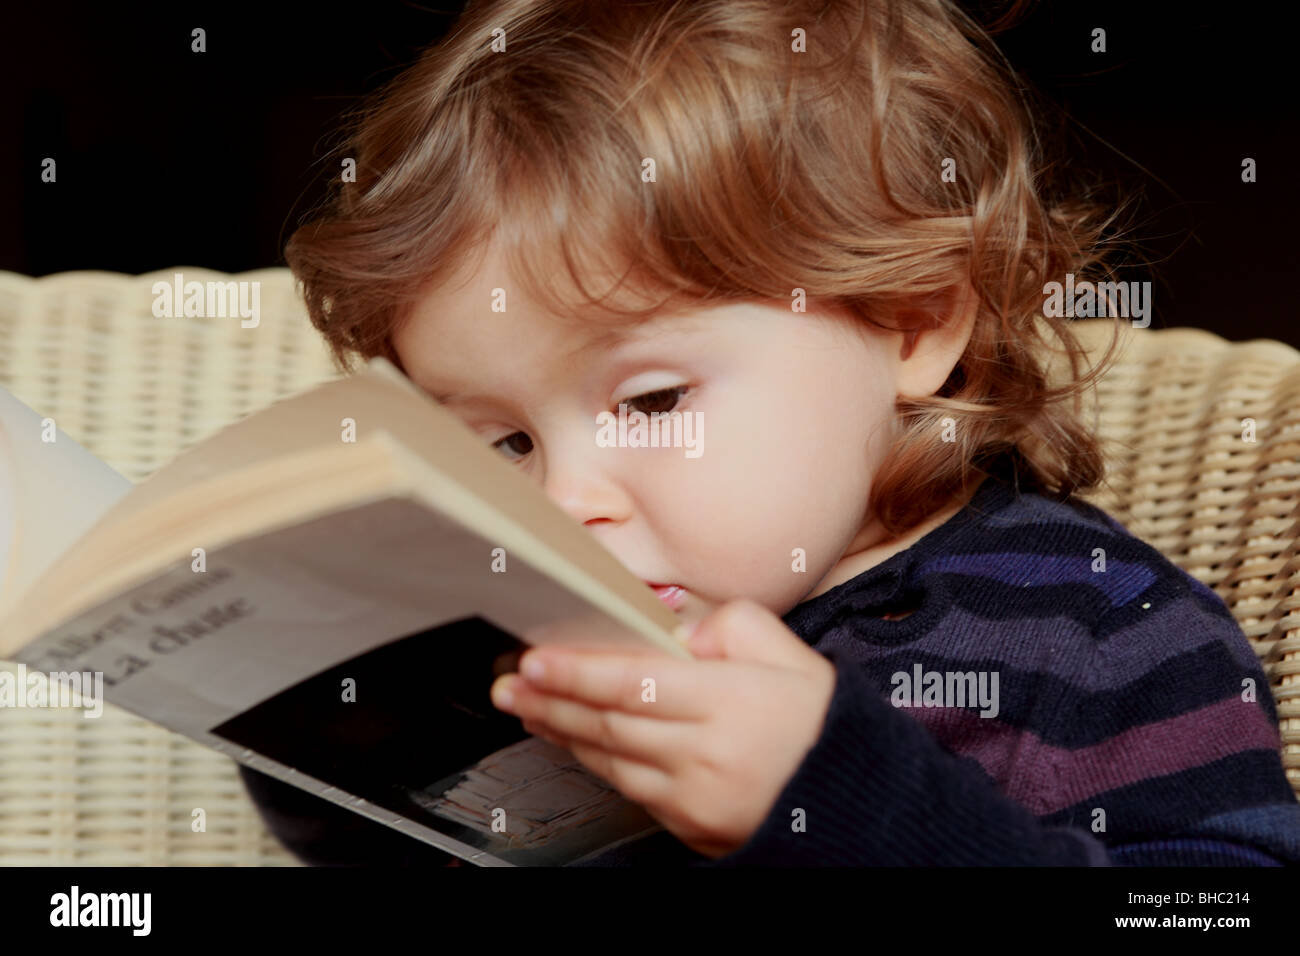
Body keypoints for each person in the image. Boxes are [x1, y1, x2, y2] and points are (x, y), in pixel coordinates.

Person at [239, 0, 1300, 865]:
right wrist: (324, 735)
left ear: (910, 320)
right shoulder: (544, 633)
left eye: (652, 403)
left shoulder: (1093, 631)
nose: (564, 502)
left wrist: (839, 800)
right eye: (503, 444)